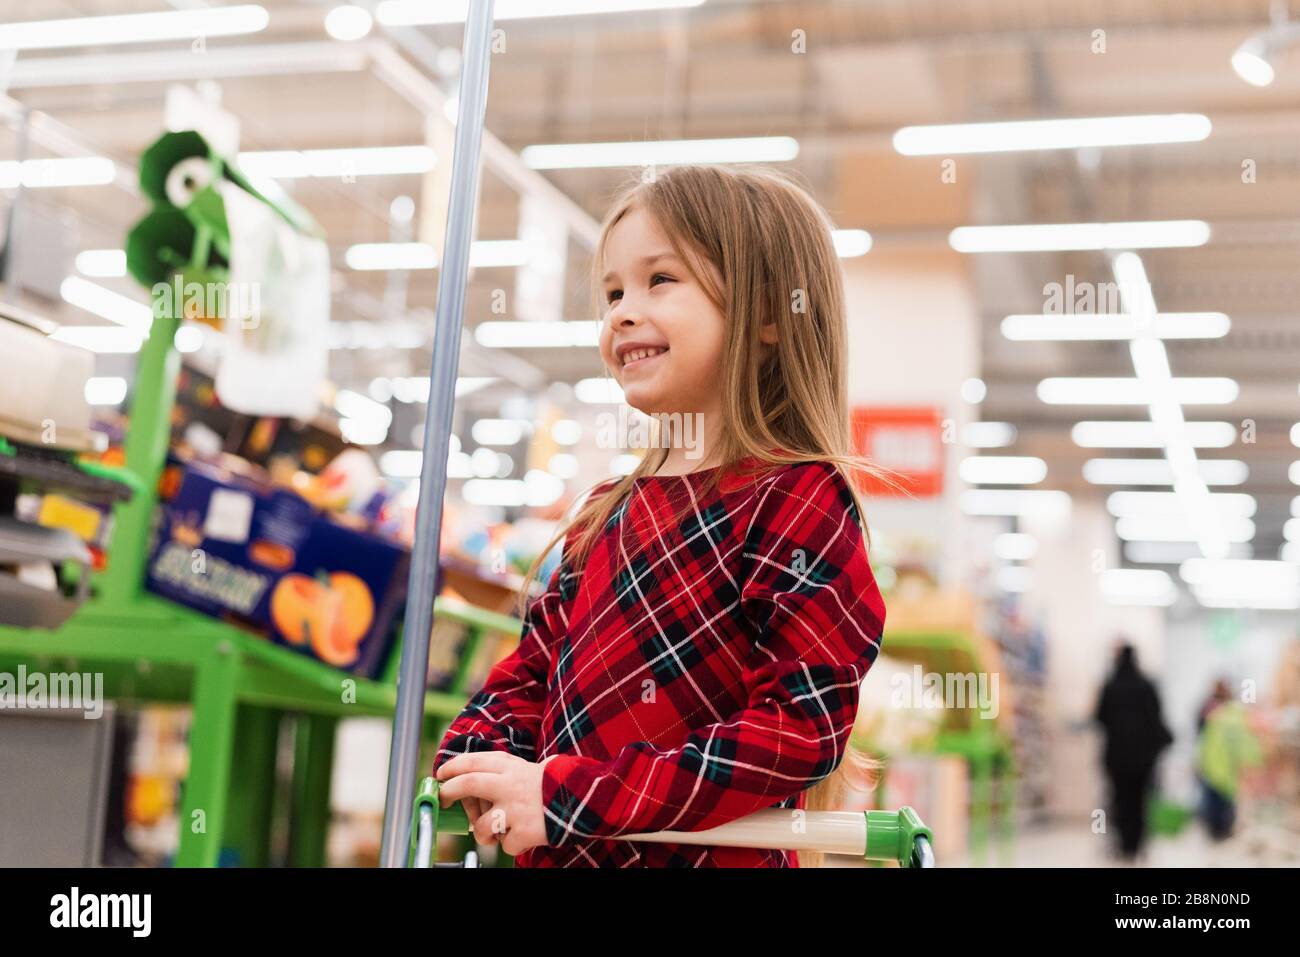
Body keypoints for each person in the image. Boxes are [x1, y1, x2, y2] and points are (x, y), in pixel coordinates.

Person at [431, 165, 888, 867]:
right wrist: (480, 745)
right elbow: (535, 668)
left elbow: (800, 727)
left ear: (768, 311)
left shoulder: (796, 501)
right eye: (612, 290)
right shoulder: (605, 510)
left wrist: (572, 798)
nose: (621, 310)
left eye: (659, 280)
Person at [1093, 643, 1173, 862]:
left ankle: (1124, 844)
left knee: (1120, 800)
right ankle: (1137, 843)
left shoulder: (1110, 686)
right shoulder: (1147, 686)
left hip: (1117, 757)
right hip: (1143, 758)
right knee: (1140, 801)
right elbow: (1157, 719)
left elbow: (1099, 718)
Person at [1195, 679, 1261, 841]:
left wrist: (1200, 762)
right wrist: (1256, 760)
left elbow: (1204, 740)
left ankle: (1215, 833)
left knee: (1213, 802)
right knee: (1224, 804)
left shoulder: (1212, 713)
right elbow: (1246, 744)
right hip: (1225, 767)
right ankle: (1221, 833)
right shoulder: (1235, 717)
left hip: (1212, 765)